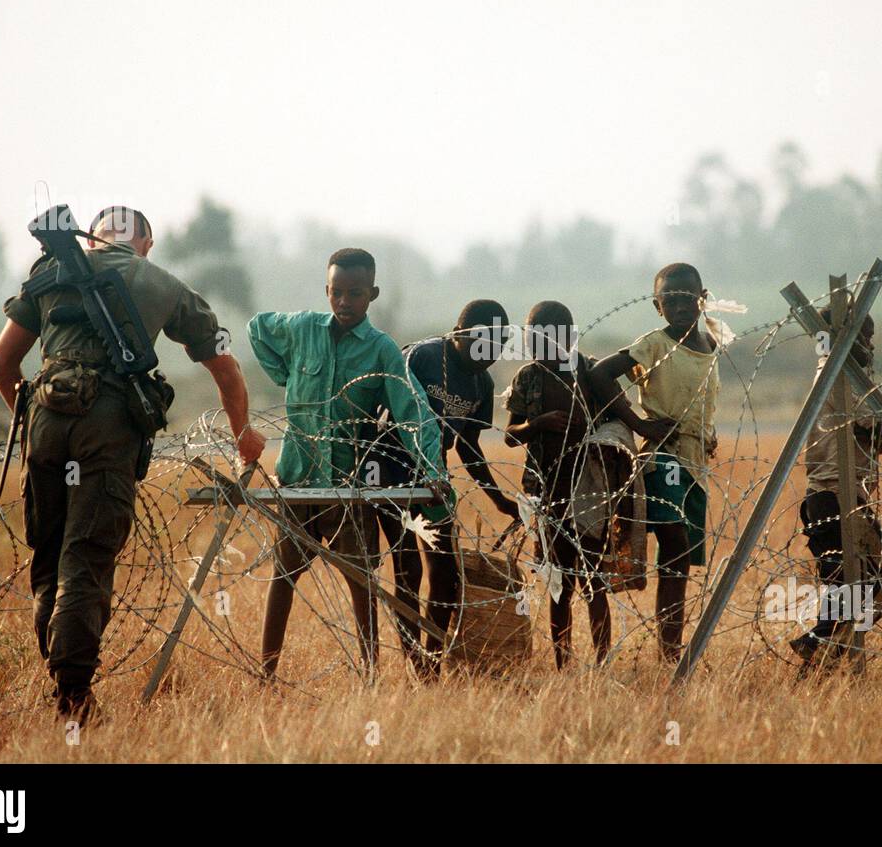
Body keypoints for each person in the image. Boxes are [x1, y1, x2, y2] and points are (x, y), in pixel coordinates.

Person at [0, 205, 265, 725]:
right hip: (108, 425)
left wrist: (31, 425)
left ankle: (59, 677)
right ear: (147, 244)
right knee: (85, 560)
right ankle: (73, 699)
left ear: (91, 240)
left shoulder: (49, 272)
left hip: (45, 419)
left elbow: (2, 365)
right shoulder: (162, 283)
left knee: (48, 560)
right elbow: (225, 369)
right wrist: (243, 434)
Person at [246, 248, 450, 679]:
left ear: (372, 294)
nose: (344, 302)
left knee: (362, 582)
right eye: (336, 292)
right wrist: (283, 374)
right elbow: (257, 328)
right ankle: (267, 674)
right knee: (284, 575)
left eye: (355, 294)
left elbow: (412, 412)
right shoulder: (301, 328)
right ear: (326, 290)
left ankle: (369, 674)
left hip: (348, 482)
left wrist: (433, 472)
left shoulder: (381, 351)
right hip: (298, 476)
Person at [371, 299, 519, 678]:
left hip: (434, 481)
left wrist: (500, 500)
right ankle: (413, 659)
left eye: (499, 344)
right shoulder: (422, 357)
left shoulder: (481, 383)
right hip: (391, 471)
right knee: (407, 567)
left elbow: (468, 448)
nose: (490, 353)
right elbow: (382, 408)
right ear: (458, 333)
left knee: (446, 574)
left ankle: (431, 657)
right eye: (483, 342)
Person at [589, 262, 720, 664]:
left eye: (688, 297)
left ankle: (669, 650)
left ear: (703, 298)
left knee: (680, 561)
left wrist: (708, 436)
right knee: (675, 541)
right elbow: (600, 374)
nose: (681, 305)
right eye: (671, 299)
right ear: (657, 305)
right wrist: (638, 423)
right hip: (661, 457)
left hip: (694, 461)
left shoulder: (711, 345)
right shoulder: (654, 345)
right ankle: (669, 651)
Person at [790, 308, 882, 669]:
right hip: (840, 495)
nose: (869, 345)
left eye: (870, 336)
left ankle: (823, 654)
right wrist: (877, 427)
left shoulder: (825, 371)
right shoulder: (846, 376)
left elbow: (874, 437)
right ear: (842, 338)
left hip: (821, 497)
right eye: (862, 336)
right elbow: (877, 434)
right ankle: (824, 641)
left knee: (842, 583)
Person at [504, 301, 614, 669]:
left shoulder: (590, 372)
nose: (539, 349)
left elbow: (618, 421)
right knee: (558, 583)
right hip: (546, 490)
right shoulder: (528, 378)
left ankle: (601, 663)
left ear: (569, 338)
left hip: (588, 489)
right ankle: (562, 664)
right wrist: (538, 425)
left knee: (594, 580)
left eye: (548, 341)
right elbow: (510, 436)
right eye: (532, 340)